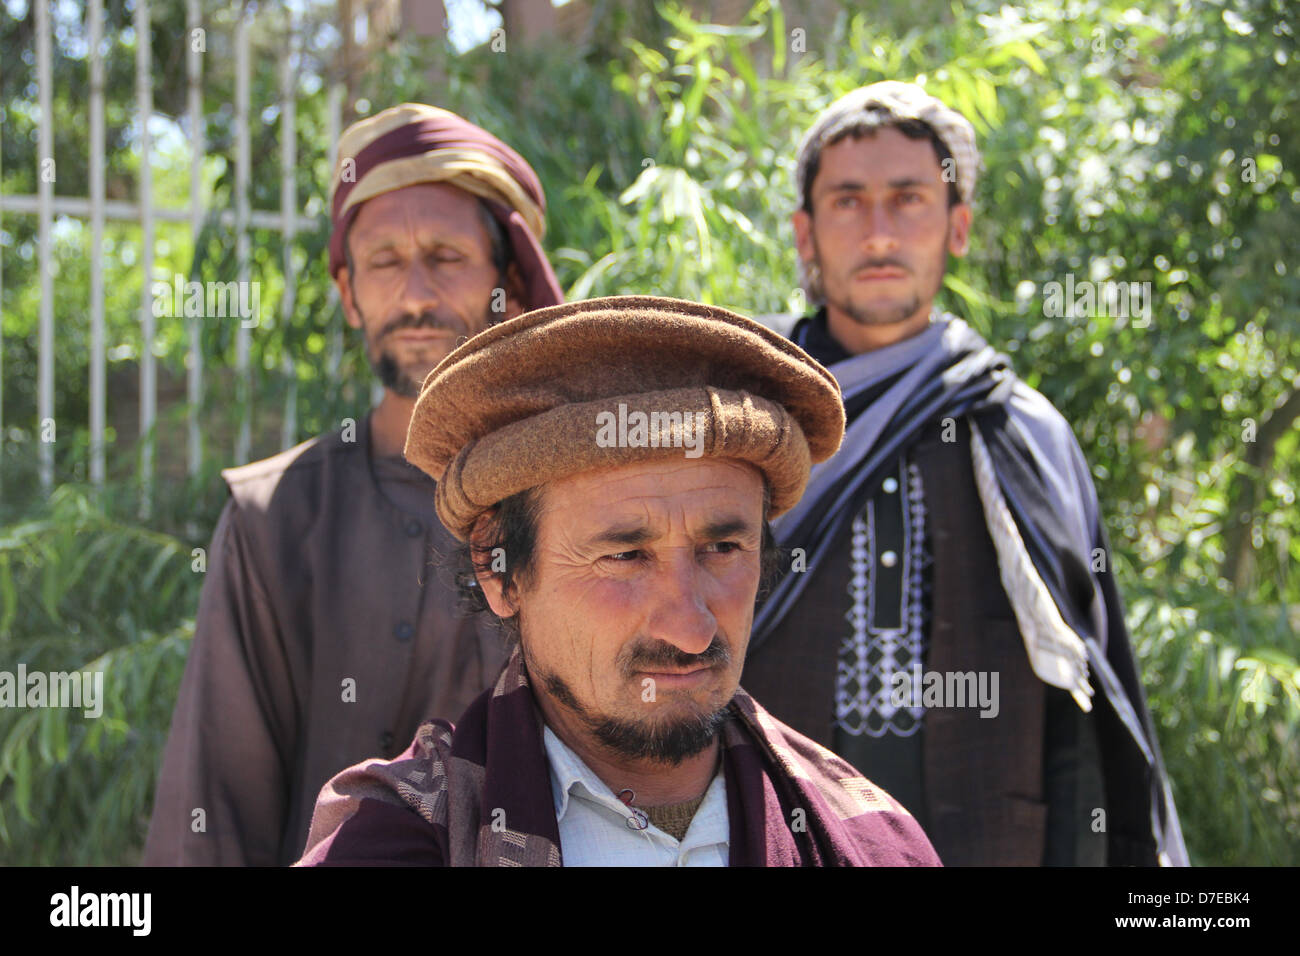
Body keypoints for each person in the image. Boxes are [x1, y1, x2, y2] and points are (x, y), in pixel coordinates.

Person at [296, 295, 941, 867]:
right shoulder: (398, 840)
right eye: (626, 556)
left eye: (722, 548)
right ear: (500, 569)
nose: (691, 628)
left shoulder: (870, 842)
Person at [741, 82, 1187, 866]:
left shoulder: (1025, 432)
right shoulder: (747, 416)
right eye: (849, 201)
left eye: (909, 198)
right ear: (805, 234)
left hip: (990, 837)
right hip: (779, 829)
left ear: (959, 226)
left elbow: (1085, 690)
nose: (879, 231)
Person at [143, 104, 564, 866]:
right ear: (348, 293)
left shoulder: (579, 501)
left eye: (445, 256)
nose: (414, 295)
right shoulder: (275, 519)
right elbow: (212, 817)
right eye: (382, 262)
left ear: (507, 279)